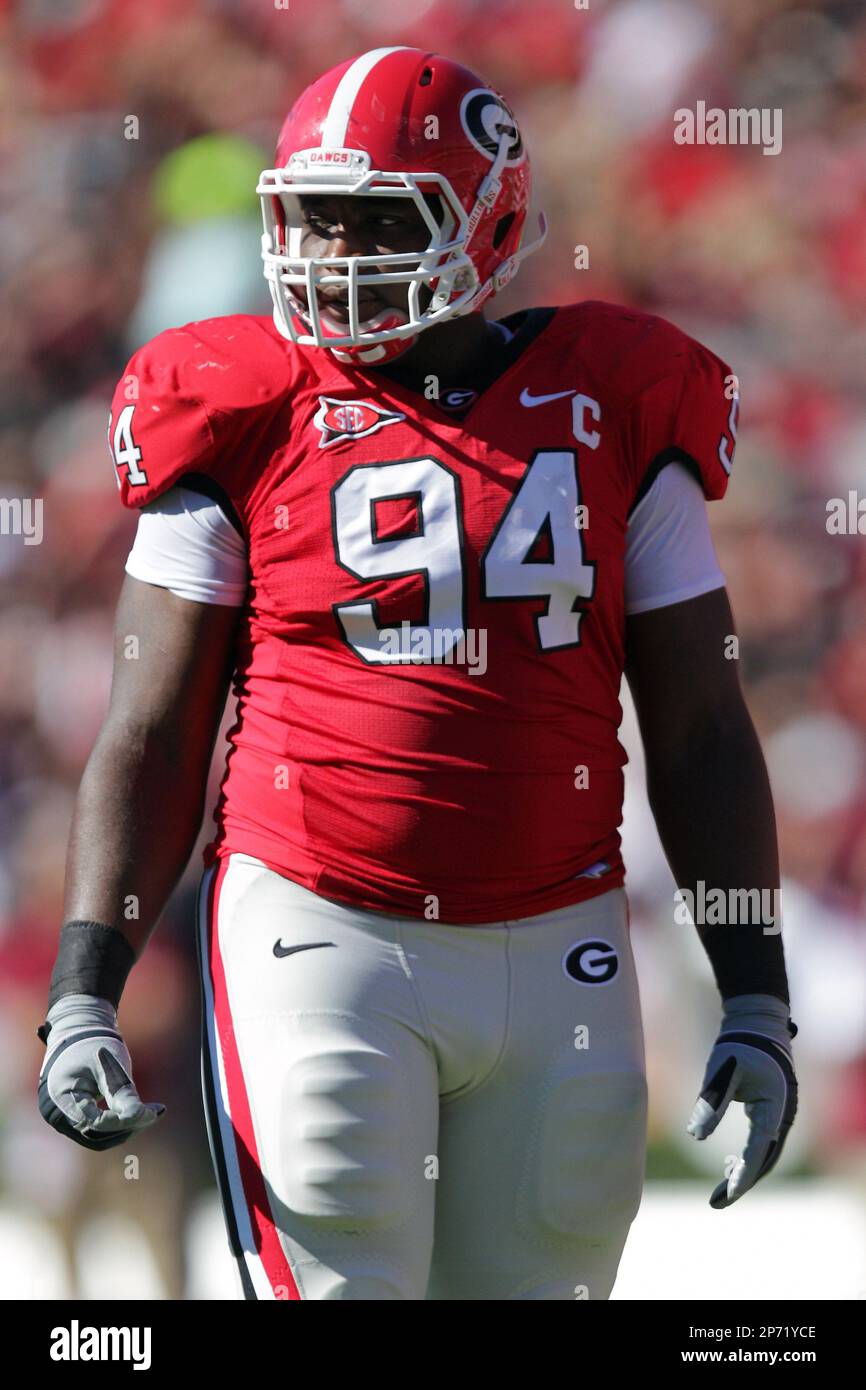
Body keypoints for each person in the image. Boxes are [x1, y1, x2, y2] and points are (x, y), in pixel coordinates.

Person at [37, 46, 797, 1301]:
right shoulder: (240, 401)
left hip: (563, 937)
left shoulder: (614, 394)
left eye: (375, 218)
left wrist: (754, 995)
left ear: (487, 216)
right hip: (316, 930)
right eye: (312, 218)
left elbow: (702, 727)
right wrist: (84, 991)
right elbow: (152, 729)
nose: (332, 255)